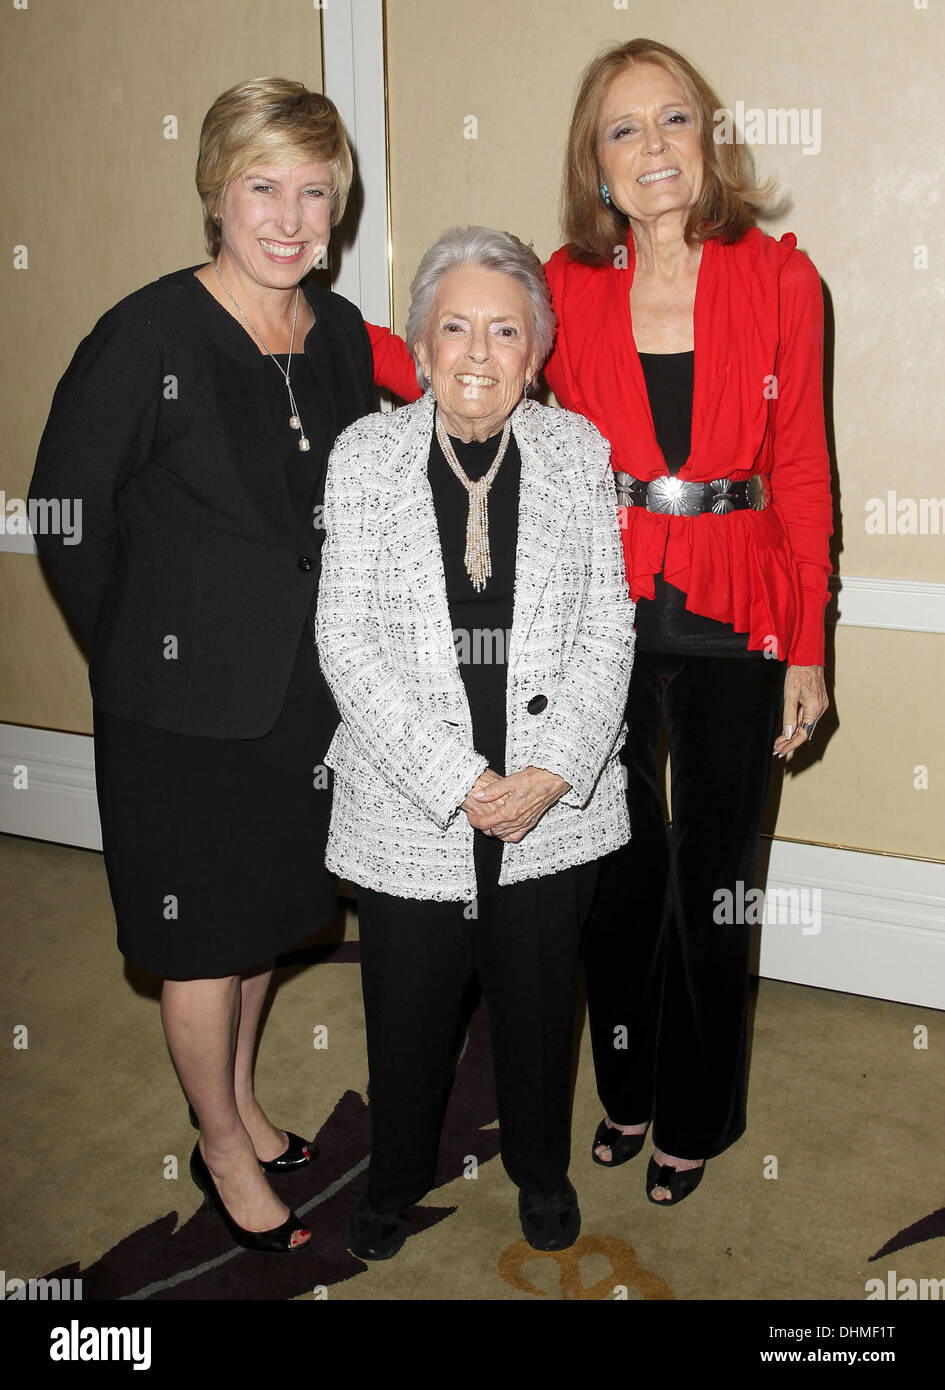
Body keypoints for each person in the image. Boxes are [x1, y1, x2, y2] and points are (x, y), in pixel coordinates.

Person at [29, 78, 376, 1253]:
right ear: (217, 193)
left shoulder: (336, 331)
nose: (290, 217)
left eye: (314, 192)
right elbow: (64, 511)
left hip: (300, 701)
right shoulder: (149, 335)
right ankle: (220, 1146)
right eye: (262, 187)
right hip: (178, 709)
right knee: (198, 942)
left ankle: (241, 1102)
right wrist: (136, 645)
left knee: (262, 920)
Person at [543, 38, 833, 1203]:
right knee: (615, 874)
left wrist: (808, 646)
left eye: (674, 119)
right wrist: (313, 323)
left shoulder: (781, 280)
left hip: (738, 612)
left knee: (715, 878)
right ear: (597, 162)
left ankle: (698, 1110)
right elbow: (462, 362)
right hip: (604, 610)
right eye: (624, 128)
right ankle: (626, 1084)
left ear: (707, 139)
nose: (653, 146)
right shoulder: (563, 286)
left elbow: (801, 469)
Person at [316, 226, 635, 1258]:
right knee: (408, 1010)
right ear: (419, 345)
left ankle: (540, 1169)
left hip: (549, 799)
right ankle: (394, 1179)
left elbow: (609, 627)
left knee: (539, 1006)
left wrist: (551, 771)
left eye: (505, 330)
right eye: (455, 327)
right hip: (410, 799)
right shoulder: (365, 459)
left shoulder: (578, 452)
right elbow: (344, 639)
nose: (479, 352)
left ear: (535, 353)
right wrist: (457, 778)